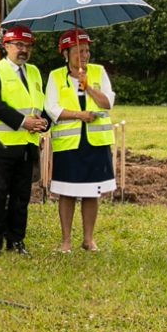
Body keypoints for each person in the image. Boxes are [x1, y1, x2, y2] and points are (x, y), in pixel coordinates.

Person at [43, 28, 115, 252]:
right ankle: (65, 241)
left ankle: (88, 239)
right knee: (67, 191)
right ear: (66, 53)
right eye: (78, 51)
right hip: (69, 143)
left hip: (95, 141)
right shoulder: (56, 76)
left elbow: (107, 102)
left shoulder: (98, 72)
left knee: (92, 191)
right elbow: (51, 108)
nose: (84, 55)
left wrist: (88, 86)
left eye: (86, 50)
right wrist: (78, 115)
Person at [0, 24, 46, 254]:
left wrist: (42, 120)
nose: (23, 50)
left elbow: (40, 104)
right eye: (19, 45)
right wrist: (23, 122)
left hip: (27, 144)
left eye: (27, 46)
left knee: (21, 197)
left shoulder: (35, 72)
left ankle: (16, 240)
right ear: (6, 46)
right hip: (1, 144)